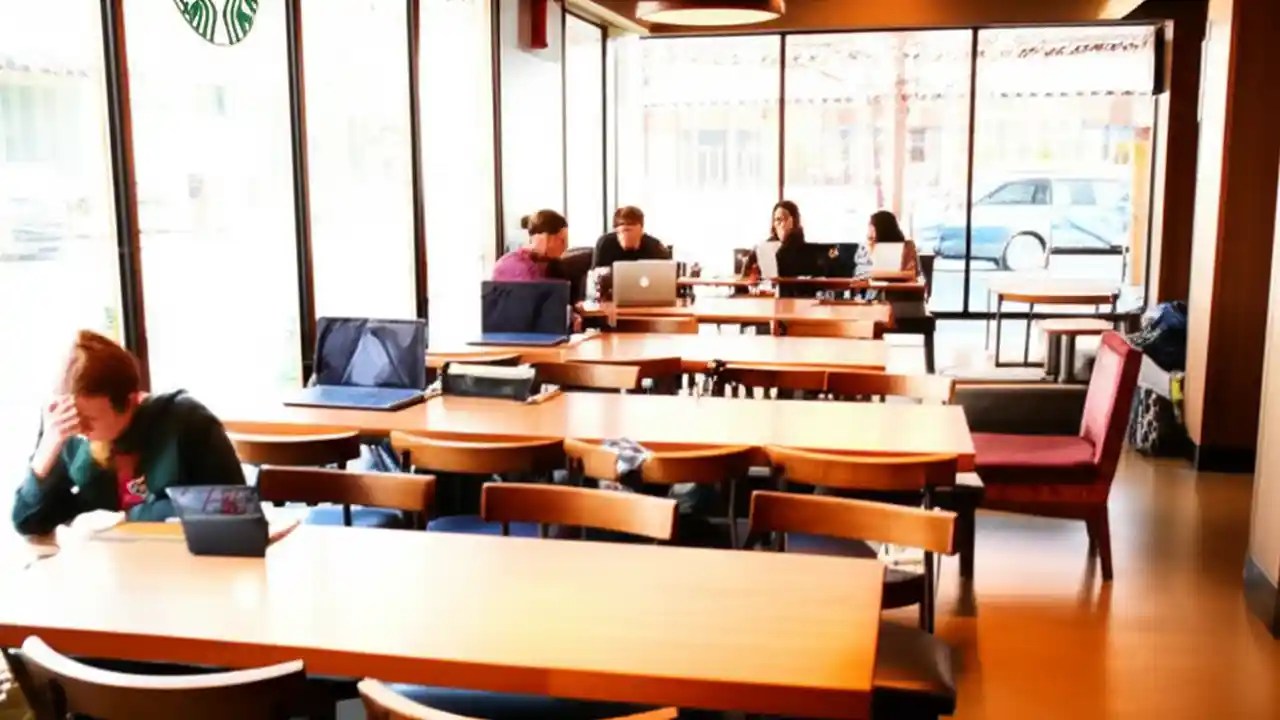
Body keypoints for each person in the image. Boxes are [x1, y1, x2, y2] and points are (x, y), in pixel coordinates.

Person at [12, 331, 245, 536]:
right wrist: (45, 453)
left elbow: (234, 508)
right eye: (71, 417)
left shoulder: (187, 423)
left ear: (130, 401)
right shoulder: (64, 432)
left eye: (89, 419)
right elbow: (29, 522)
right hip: (105, 572)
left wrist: (131, 517)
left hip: (182, 568)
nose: (79, 429)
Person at [492, 209, 569, 281]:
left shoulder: (548, 266)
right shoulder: (514, 265)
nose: (565, 246)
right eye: (562, 240)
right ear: (545, 238)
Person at [590, 206, 670, 269]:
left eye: (631, 229)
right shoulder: (605, 244)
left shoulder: (654, 247)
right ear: (616, 231)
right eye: (625, 230)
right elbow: (594, 278)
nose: (628, 235)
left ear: (641, 230)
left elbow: (667, 273)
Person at [865, 209, 919, 278]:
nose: (869, 229)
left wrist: (875, 274)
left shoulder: (907, 246)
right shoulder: (870, 245)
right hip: (876, 286)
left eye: (871, 225)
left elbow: (910, 274)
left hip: (901, 287)